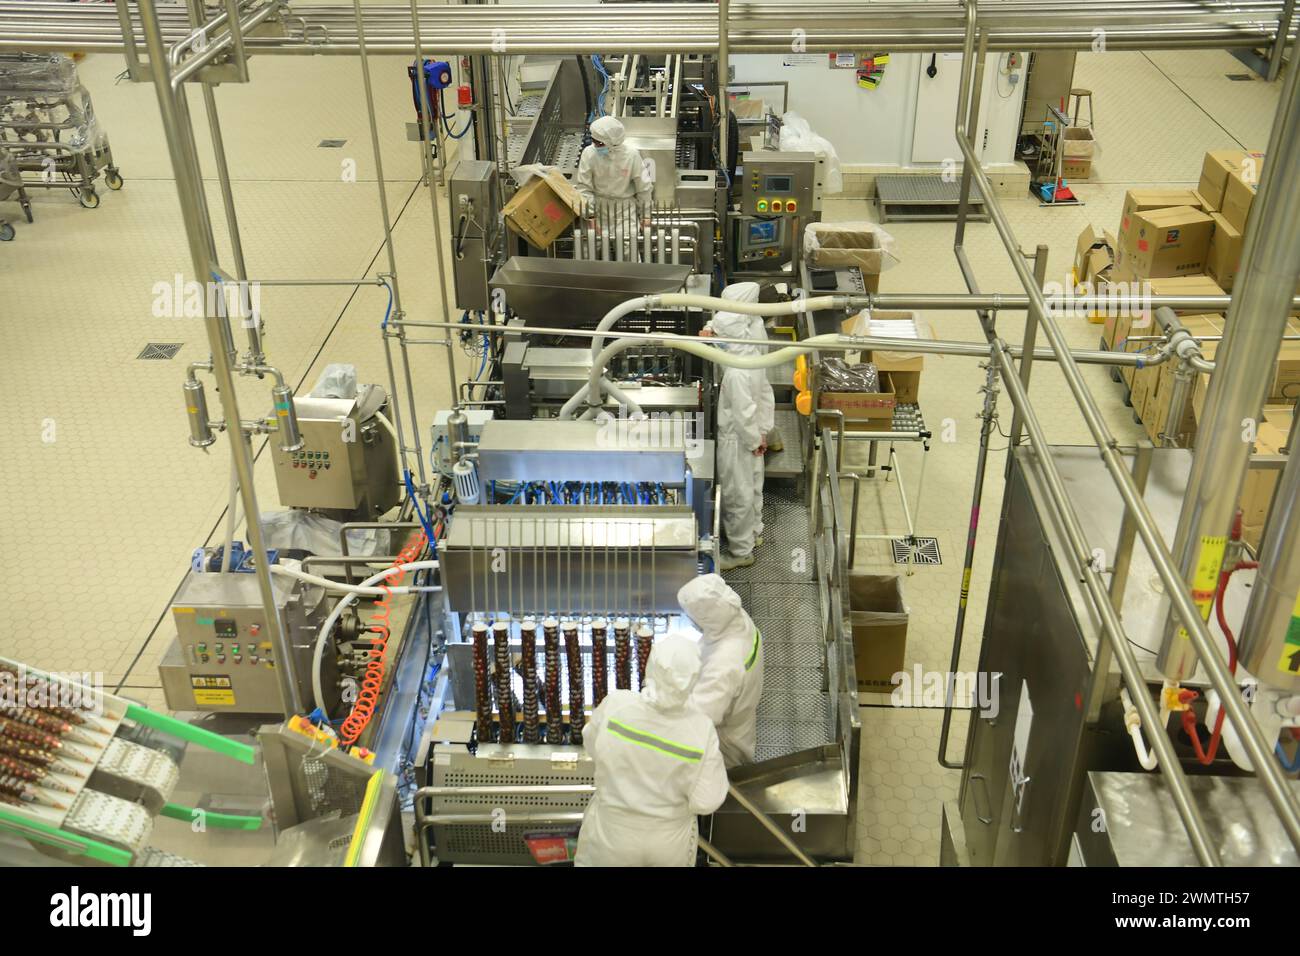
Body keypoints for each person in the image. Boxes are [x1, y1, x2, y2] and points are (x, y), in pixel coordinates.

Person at [574, 633, 729, 867]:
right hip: (667, 843)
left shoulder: (617, 705)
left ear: (650, 667)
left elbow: (592, 743)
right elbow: (706, 801)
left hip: (610, 836)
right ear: (692, 679)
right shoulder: (700, 728)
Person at [700, 282, 775, 569]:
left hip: (738, 439)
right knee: (754, 486)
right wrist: (763, 433)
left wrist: (752, 439)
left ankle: (740, 551)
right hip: (755, 434)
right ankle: (754, 532)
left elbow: (743, 414)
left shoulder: (735, 374)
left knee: (736, 493)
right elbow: (765, 396)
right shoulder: (755, 354)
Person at [677, 574, 764, 768]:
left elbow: (699, 718)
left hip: (724, 743)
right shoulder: (737, 617)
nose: (691, 620)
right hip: (741, 715)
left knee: (725, 780)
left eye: (693, 616)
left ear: (707, 618)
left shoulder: (723, 665)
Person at [574, 115, 655, 227]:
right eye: (594, 141)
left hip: (624, 211)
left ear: (613, 143)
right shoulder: (589, 154)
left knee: (627, 242)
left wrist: (646, 215)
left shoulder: (631, 155)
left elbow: (644, 187)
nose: (596, 146)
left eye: (600, 143)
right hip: (598, 208)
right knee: (595, 243)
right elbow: (584, 187)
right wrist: (590, 215)